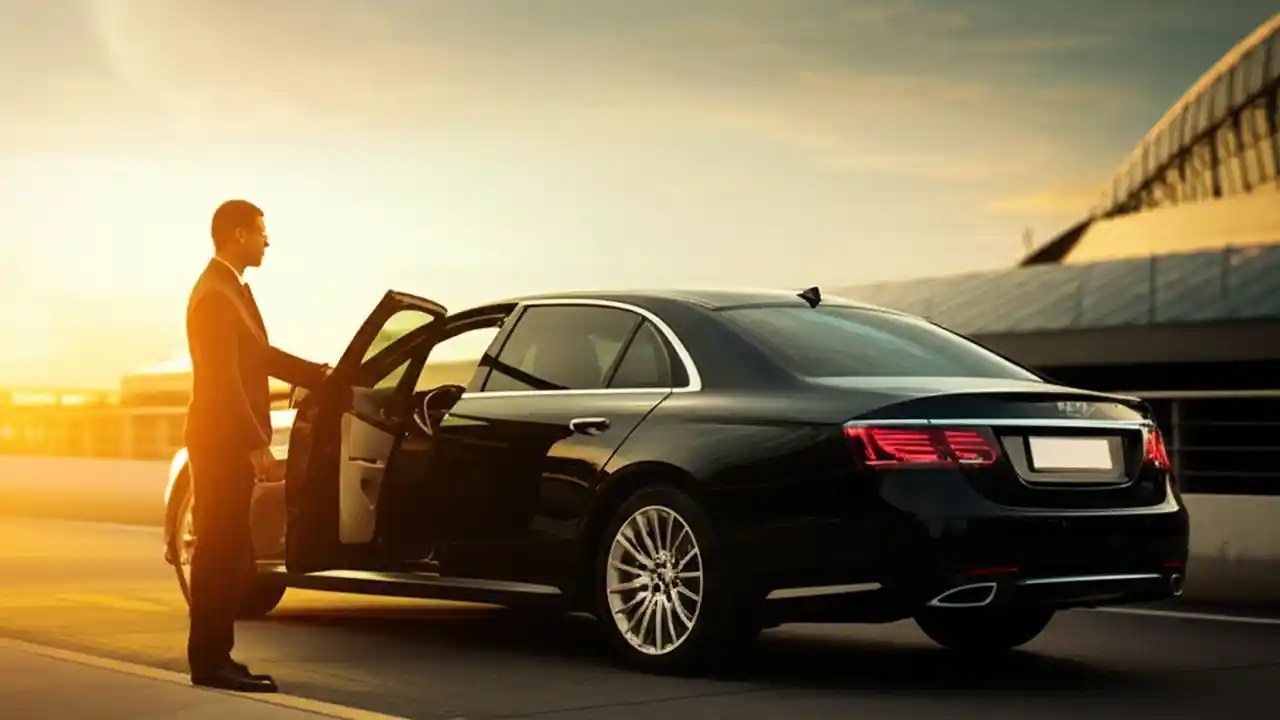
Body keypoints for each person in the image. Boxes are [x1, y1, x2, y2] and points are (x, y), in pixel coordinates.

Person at [183, 199, 328, 692]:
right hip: (220, 442)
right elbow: (221, 382)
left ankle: (216, 657)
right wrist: (253, 445)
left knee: (229, 549)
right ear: (239, 235)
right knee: (217, 550)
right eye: (262, 232)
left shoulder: (233, 290)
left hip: (227, 441)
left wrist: (318, 375)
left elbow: (259, 356)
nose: (268, 242)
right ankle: (208, 662)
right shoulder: (215, 296)